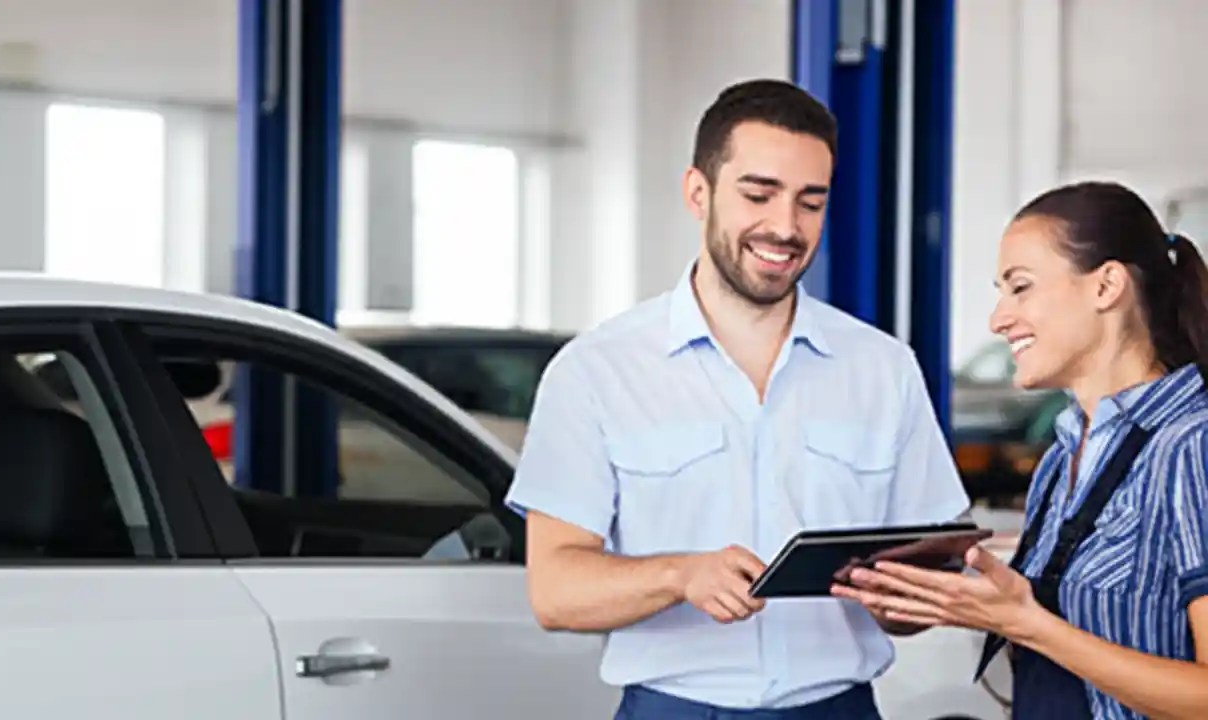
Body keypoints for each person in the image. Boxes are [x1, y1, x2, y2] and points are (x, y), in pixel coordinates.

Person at [503, 78, 971, 719]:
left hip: (838, 708)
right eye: (759, 194)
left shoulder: (882, 369)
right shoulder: (596, 371)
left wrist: (907, 603)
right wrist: (679, 575)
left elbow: (928, 575)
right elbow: (555, 591)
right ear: (698, 193)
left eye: (811, 202)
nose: (785, 227)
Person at [833, 181, 1208, 719]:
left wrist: (1025, 622)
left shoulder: (1191, 445)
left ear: (1106, 286)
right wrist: (950, 602)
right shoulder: (1061, 458)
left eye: (1020, 288)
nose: (998, 319)